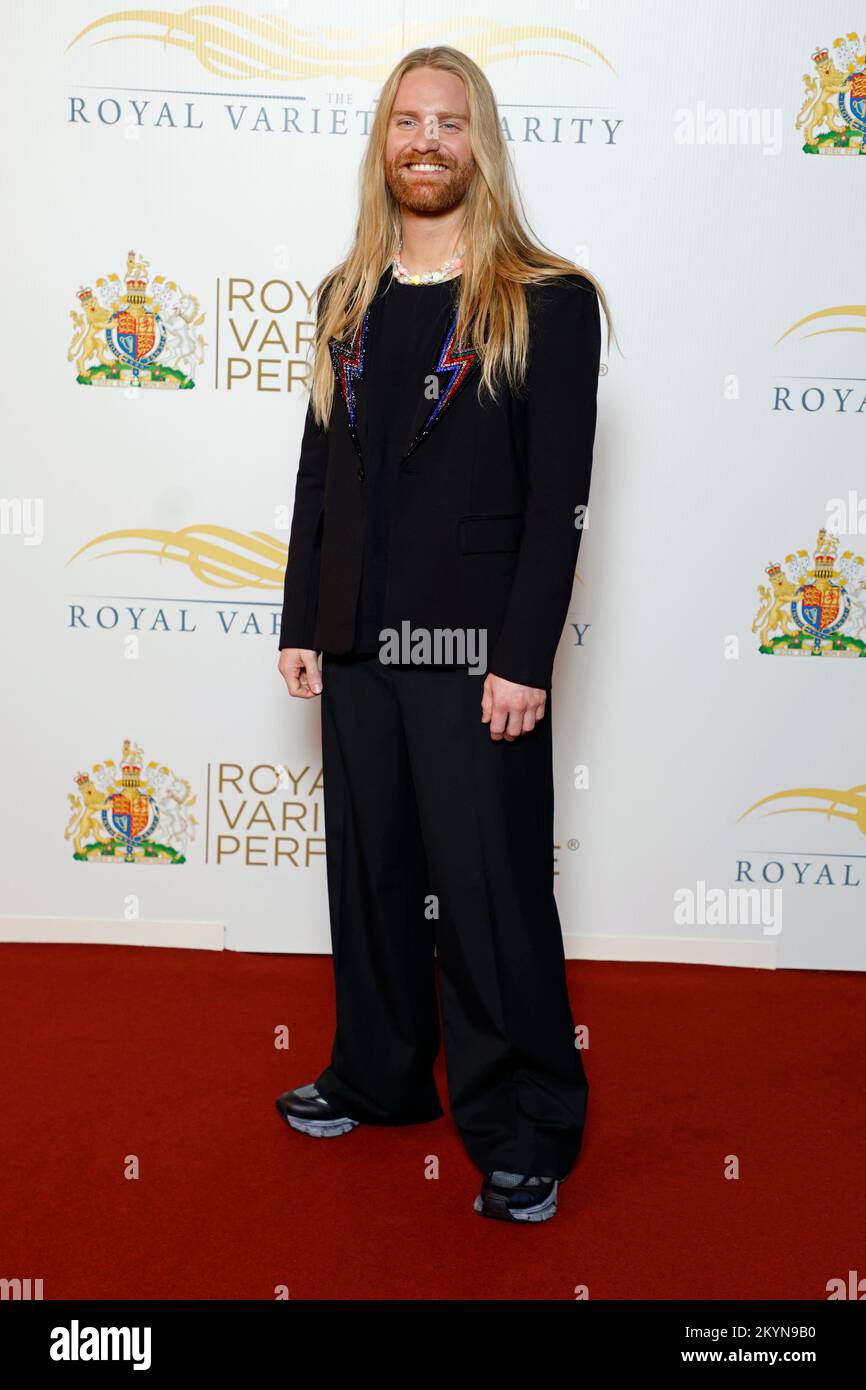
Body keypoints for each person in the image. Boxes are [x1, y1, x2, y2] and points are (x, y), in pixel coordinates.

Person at [275, 44, 610, 1224]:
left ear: (481, 144)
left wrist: (524, 655)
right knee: (371, 877)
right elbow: (323, 470)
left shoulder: (545, 299)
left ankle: (528, 1121)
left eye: (449, 122)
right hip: (360, 642)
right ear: (382, 141)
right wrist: (302, 617)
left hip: (475, 655)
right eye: (406, 121)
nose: (425, 140)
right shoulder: (347, 297)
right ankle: (377, 1072)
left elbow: (560, 496)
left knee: (489, 890)